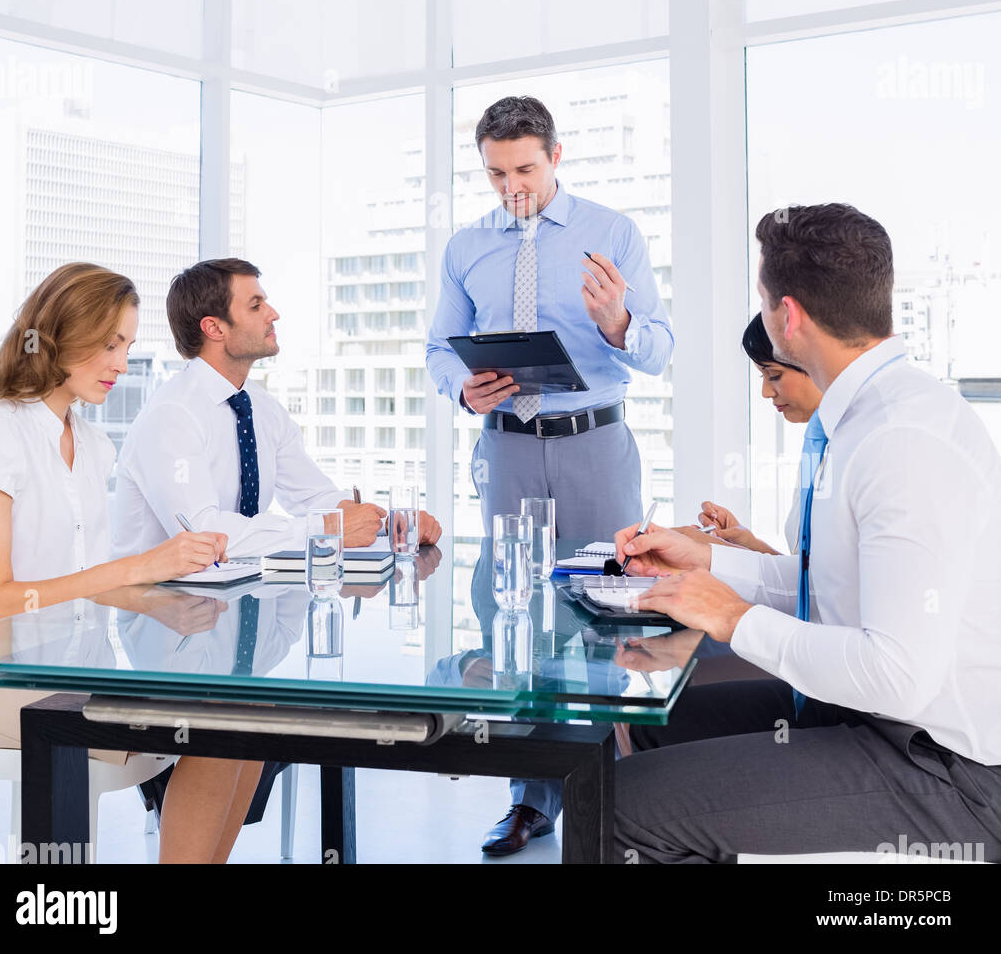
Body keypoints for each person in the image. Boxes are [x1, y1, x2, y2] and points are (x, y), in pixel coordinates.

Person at [611, 203, 1001, 863]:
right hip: (872, 718)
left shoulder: (899, 439)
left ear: (786, 315)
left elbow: (898, 676)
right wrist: (707, 560)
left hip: (946, 770)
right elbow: (828, 589)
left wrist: (733, 618)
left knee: (617, 808)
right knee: (654, 725)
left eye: (762, 301)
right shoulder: (861, 418)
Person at [425, 95, 673, 855]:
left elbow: (659, 349)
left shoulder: (612, 234)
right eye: (497, 172)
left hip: (594, 444)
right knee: (511, 617)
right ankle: (529, 802)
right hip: (505, 446)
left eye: (525, 168)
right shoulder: (467, 247)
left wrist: (616, 324)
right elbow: (439, 348)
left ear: (555, 157)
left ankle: (603, 797)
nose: (513, 186)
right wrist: (461, 388)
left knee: (605, 612)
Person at [0, 262, 266, 864]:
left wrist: (172, 602)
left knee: (249, 722)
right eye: (109, 345)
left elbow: (92, 580)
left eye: (127, 345)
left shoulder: (94, 443)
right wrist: (134, 569)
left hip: (74, 668)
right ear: (56, 337)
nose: (122, 364)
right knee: (217, 729)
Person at [114, 258, 441, 560]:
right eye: (256, 306)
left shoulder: (261, 406)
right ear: (214, 328)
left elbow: (312, 496)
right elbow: (204, 533)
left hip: (235, 595)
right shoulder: (172, 415)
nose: (273, 314)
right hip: (164, 611)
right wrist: (327, 530)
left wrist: (386, 523)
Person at [690, 313, 821, 556]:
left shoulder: (857, 445)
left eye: (774, 375)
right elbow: (810, 580)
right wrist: (749, 547)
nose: (765, 392)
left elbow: (824, 588)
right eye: (763, 376)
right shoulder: (817, 443)